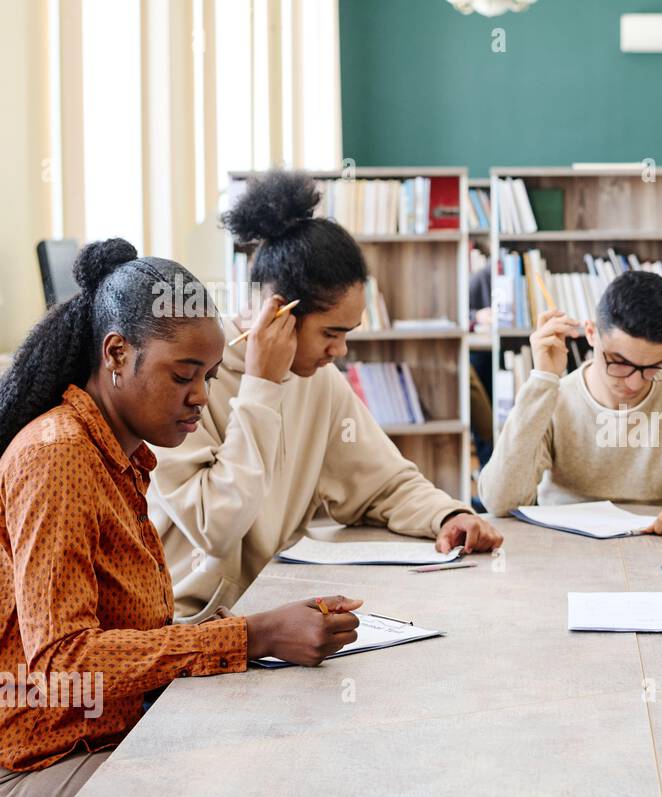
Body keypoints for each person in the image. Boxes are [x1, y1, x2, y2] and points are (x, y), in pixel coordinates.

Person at [0, 240, 364, 797]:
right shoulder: (56, 453)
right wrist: (249, 638)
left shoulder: (123, 456)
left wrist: (264, 629)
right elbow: (63, 666)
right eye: (182, 375)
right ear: (117, 353)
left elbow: (131, 635)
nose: (200, 397)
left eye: (210, 377)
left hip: (107, 735)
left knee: (291, 762)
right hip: (38, 762)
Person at [148, 170, 502, 622]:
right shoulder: (189, 382)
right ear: (279, 313)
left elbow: (383, 483)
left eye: (348, 333)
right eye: (331, 333)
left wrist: (448, 516)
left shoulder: (320, 381)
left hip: (269, 613)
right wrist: (262, 385)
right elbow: (215, 527)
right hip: (189, 626)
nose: (341, 351)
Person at [477, 270, 662, 534]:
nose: (634, 382)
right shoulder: (552, 398)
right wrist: (542, 379)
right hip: (567, 557)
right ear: (591, 334)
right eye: (619, 363)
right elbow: (500, 500)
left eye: (653, 367)